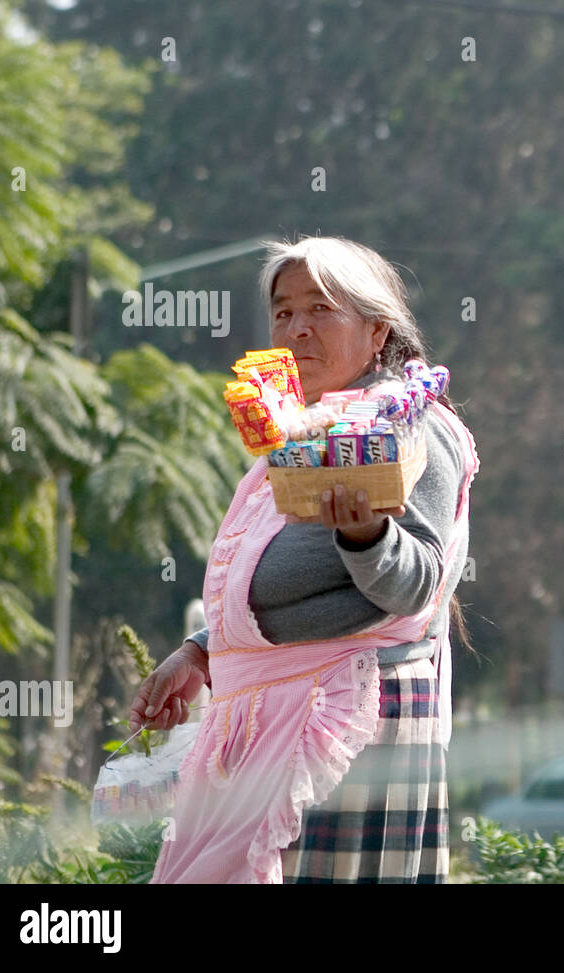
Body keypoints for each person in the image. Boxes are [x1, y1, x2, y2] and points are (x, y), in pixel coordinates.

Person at [130, 236, 479, 884]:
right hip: (271, 720)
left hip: (346, 723)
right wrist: (201, 651)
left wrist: (368, 536)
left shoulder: (413, 427)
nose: (297, 329)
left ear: (378, 330)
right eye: (284, 312)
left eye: (320, 309)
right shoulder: (304, 434)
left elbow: (417, 586)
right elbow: (268, 580)